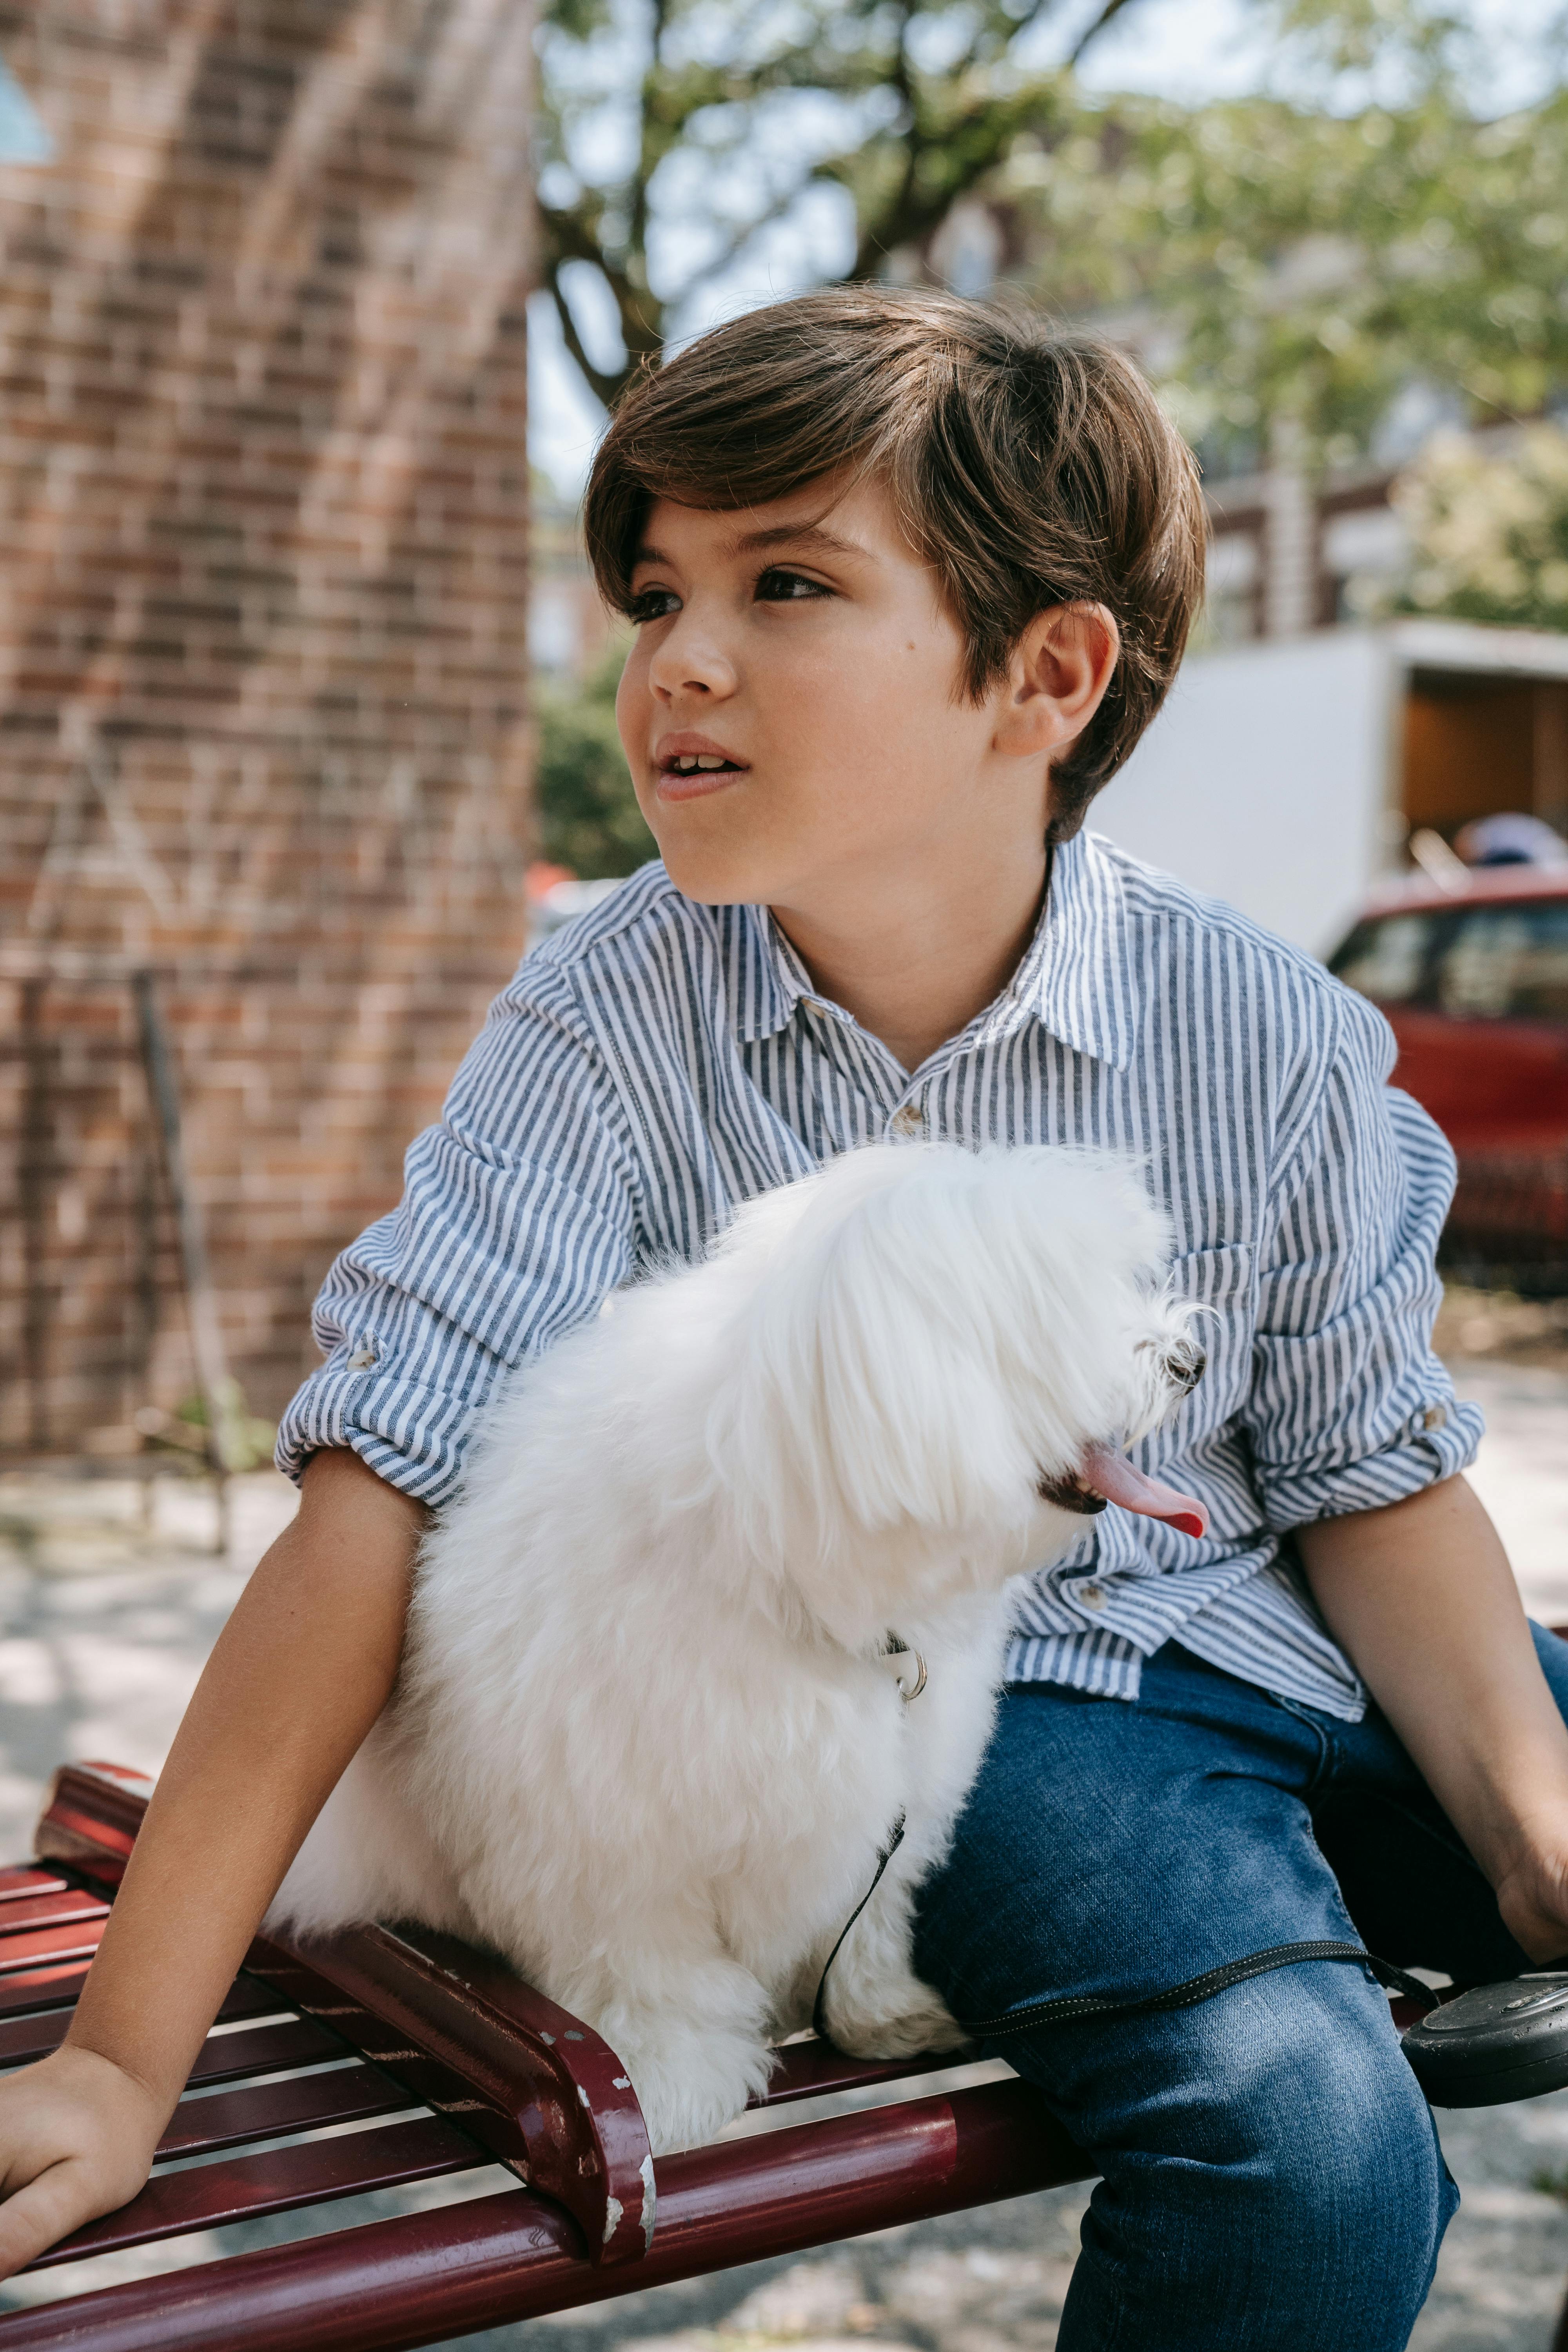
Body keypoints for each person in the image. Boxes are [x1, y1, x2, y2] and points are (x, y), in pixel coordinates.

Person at [2, 287, 1566, 2351]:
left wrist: (1526, 1830)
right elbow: (376, 1493)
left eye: (789, 580)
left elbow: (1377, 1486)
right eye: (658, 594)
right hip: (1012, 1724)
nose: (681, 658)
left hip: (1288, 1626)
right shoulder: (607, 1020)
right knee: (1315, 2154)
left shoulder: (1259, 1032)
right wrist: (123, 2061)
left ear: (1049, 675)